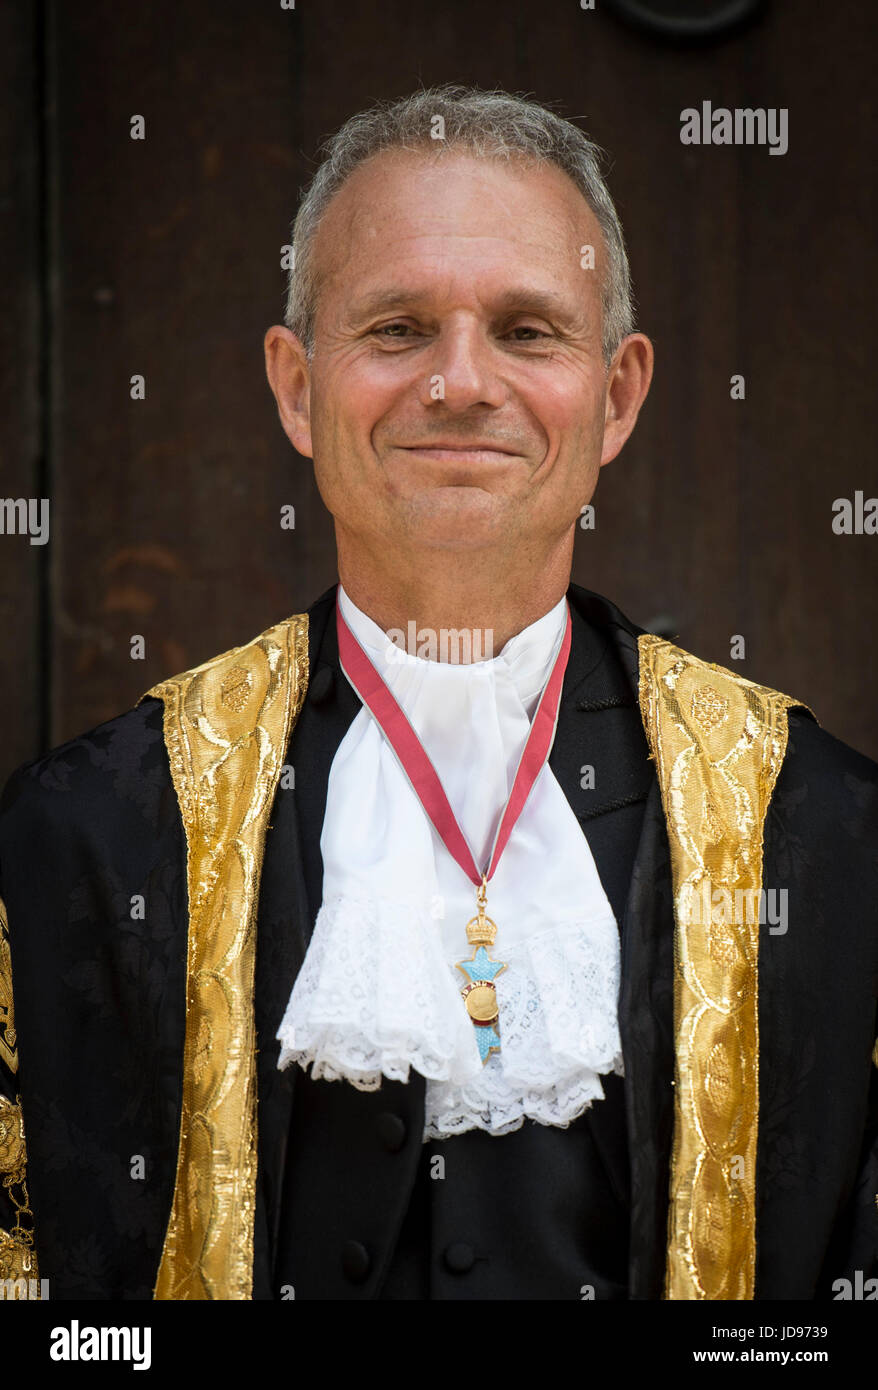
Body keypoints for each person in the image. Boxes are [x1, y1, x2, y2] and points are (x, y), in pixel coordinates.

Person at [1, 84, 875, 1302]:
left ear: (616, 395)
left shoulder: (826, 835)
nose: (461, 383)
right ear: (297, 387)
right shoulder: (85, 831)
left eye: (526, 331)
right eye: (398, 327)